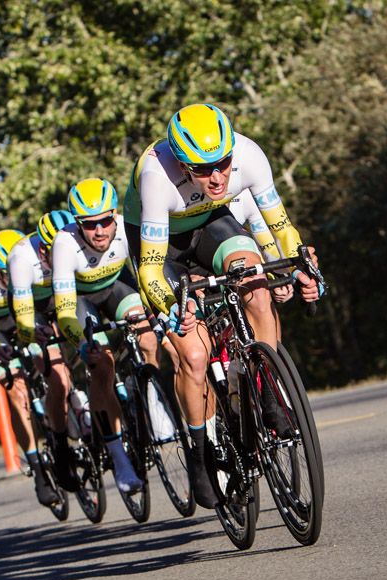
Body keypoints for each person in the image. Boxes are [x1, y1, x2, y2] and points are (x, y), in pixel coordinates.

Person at [122, 103, 322, 509]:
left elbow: (280, 227)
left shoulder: (249, 155)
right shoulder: (156, 176)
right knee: (194, 356)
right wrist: (175, 307)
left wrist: (303, 268)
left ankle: (266, 388)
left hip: (213, 224)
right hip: (164, 250)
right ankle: (199, 452)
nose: (216, 176)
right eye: (201, 169)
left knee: (257, 285)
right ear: (181, 163)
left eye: (222, 163)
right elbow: (151, 270)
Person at [52, 178, 159, 494]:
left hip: (117, 288)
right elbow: (65, 310)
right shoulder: (64, 243)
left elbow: (146, 278)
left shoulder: (127, 228)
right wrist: (83, 344)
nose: (99, 231)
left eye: (105, 221)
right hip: (84, 302)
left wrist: (154, 312)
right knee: (103, 365)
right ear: (78, 224)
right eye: (89, 225)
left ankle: (153, 405)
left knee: (148, 336)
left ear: (114, 215)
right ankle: (120, 460)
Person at [0, 228, 60, 505]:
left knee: (51, 360)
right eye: (3, 272)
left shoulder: (27, 264)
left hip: (27, 320)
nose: (9, 277)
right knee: (17, 391)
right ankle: (38, 468)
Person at [7, 210, 80, 494]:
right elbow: (24, 316)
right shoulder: (22, 258)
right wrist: (34, 334)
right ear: (41, 248)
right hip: (32, 310)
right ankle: (61, 448)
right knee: (57, 373)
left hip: (63, 297)